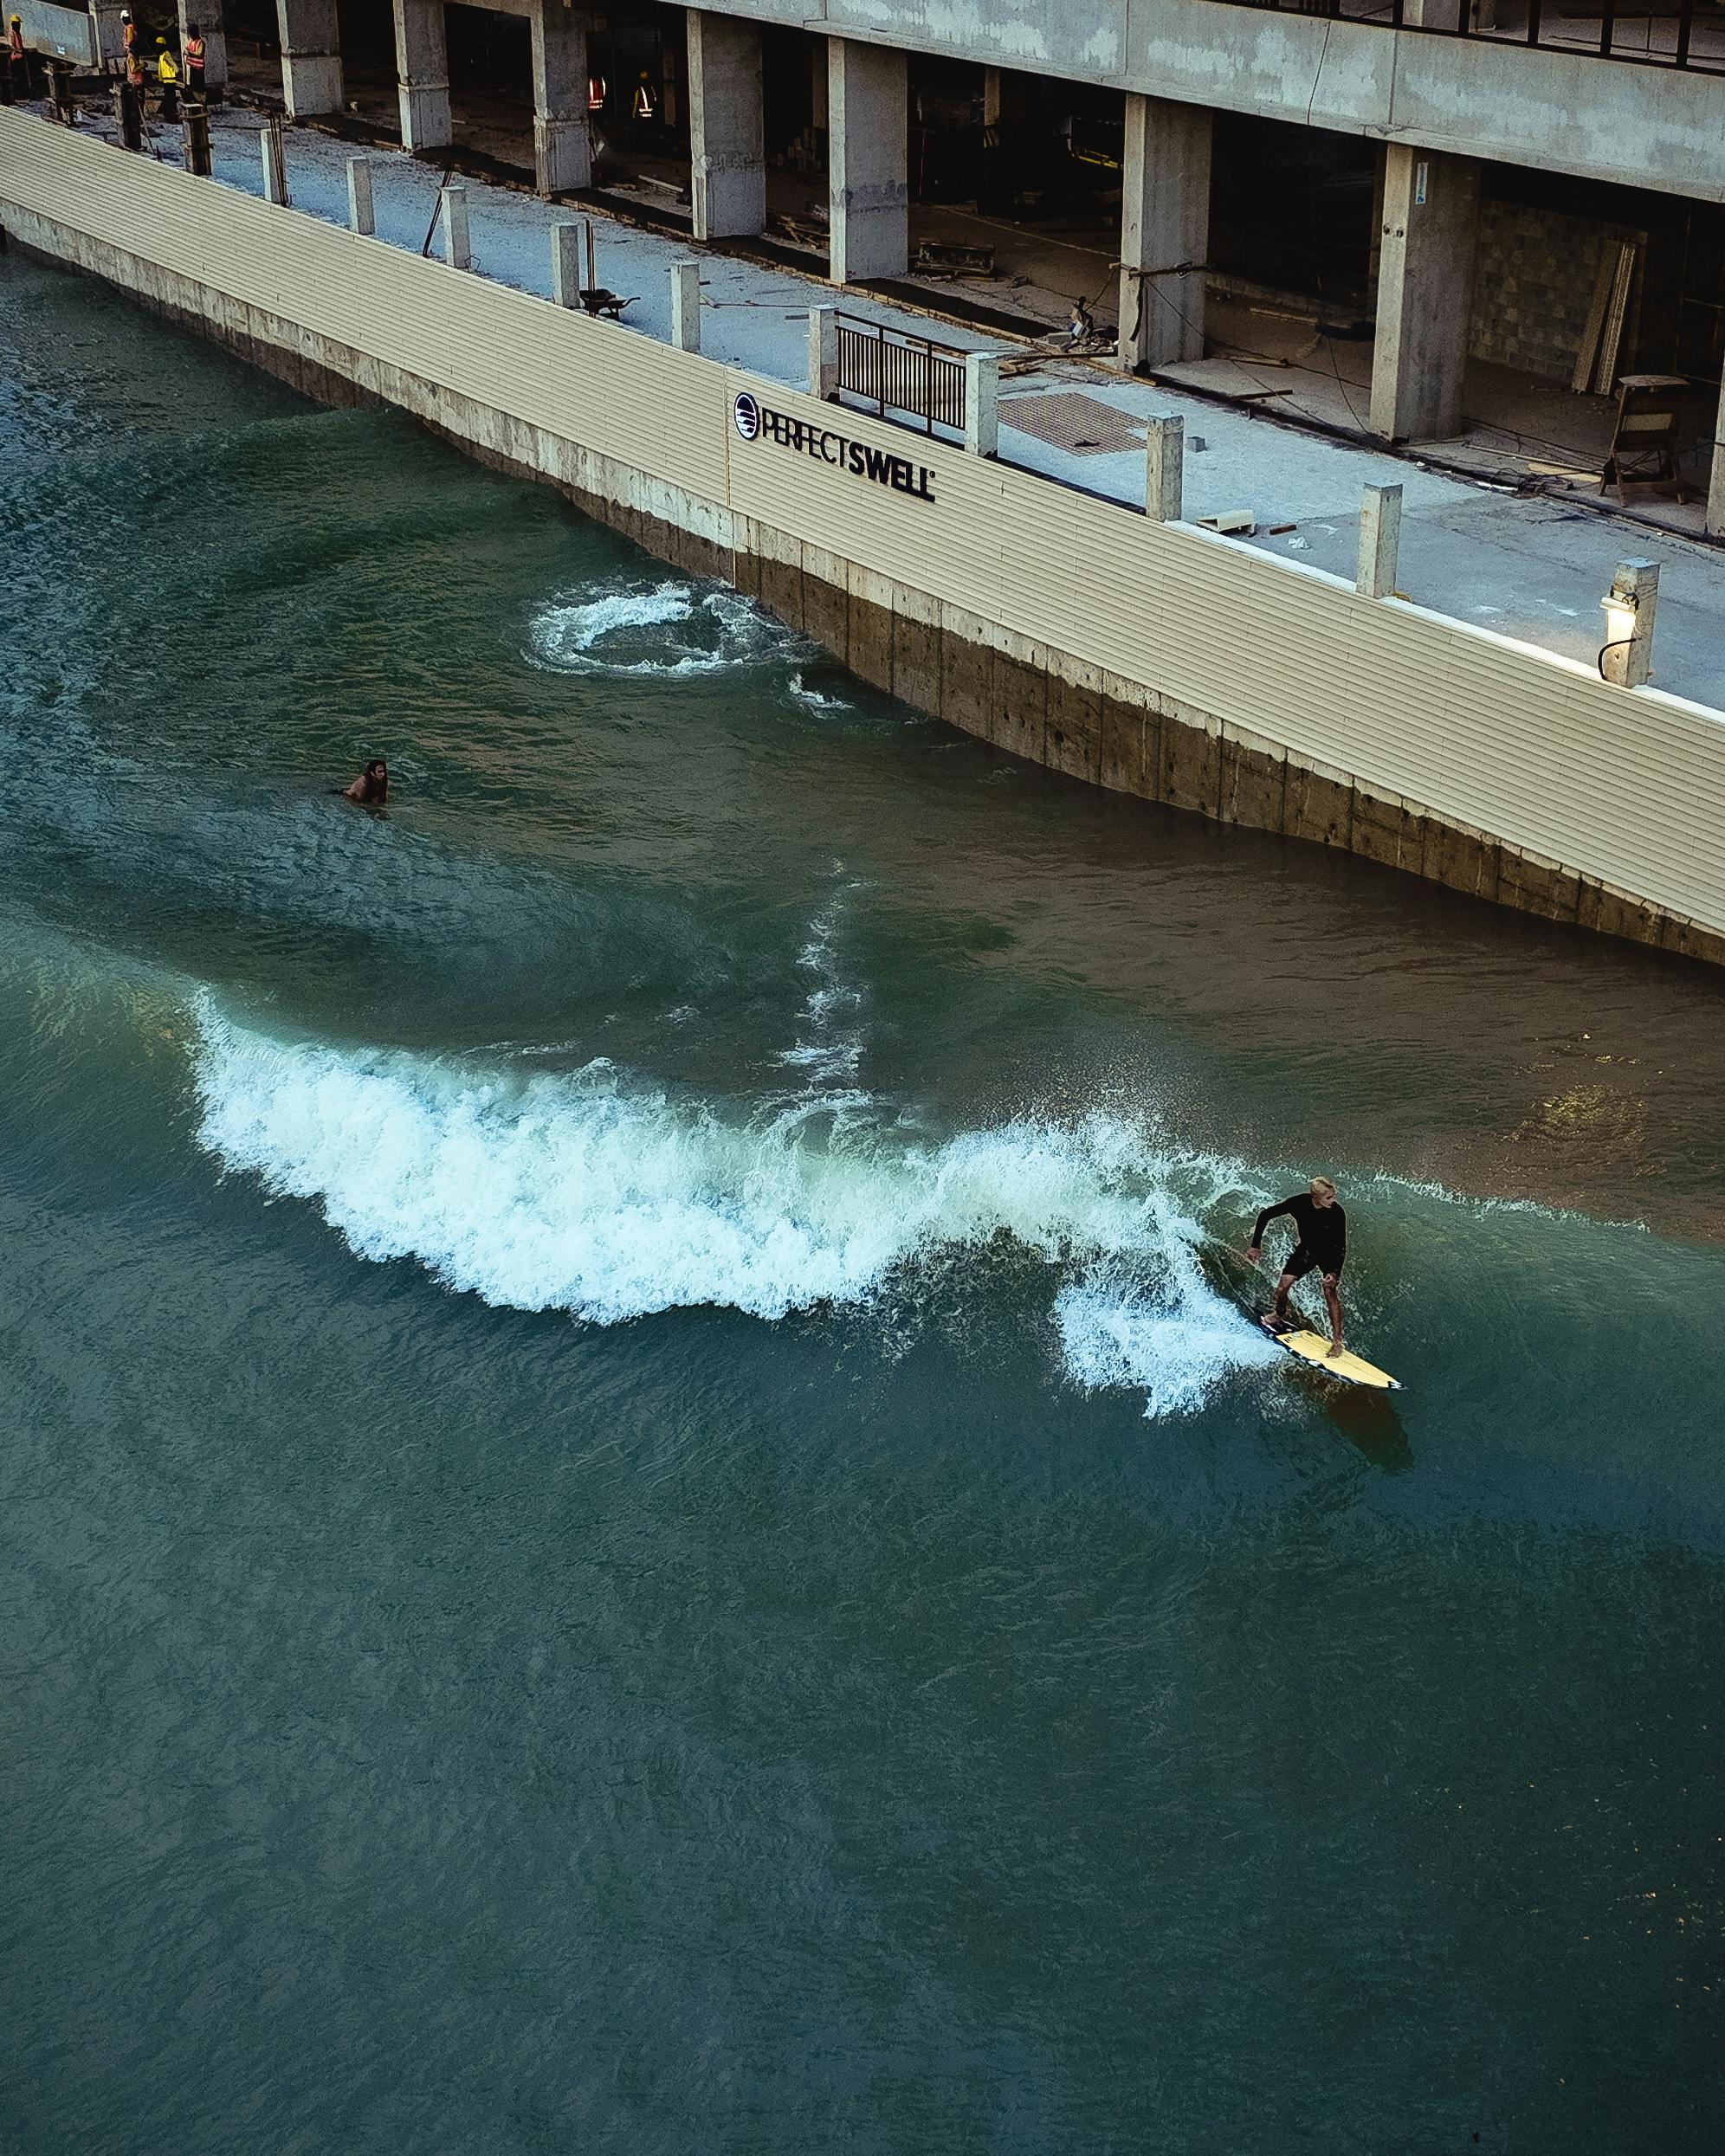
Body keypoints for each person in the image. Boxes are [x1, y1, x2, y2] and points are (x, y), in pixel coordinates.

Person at [1246, 1175, 1347, 1356]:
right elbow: (1266, 1215)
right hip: (1307, 1251)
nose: (1333, 1201)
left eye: (1333, 1196)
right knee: (1282, 1288)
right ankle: (1279, 1314)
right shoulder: (1299, 1203)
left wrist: (1334, 1272)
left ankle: (1337, 1341)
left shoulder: (1337, 1213)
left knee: (1330, 1292)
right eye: (1329, 1197)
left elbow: (1341, 1244)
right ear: (1316, 1197)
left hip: (1329, 1254)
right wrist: (1255, 1245)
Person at [154, 37, 178, 122]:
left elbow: (172, 63)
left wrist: (177, 71)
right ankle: (169, 115)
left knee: (170, 98)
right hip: (166, 79)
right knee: (168, 97)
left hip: (170, 79)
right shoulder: (161, 55)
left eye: (159, 45)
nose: (157, 47)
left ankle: (172, 115)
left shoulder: (166, 54)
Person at [182, 22, 205, 101]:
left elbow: (199, 53)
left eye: (191, 33)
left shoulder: (200, 42)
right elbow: (186, 50)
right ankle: (195, 99)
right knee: (193, 84)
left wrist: (190, 53)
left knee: (199, 85)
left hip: (199, 67)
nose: (190, 35)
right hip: (192, 66)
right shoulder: (190, 42)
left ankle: (201, 100)